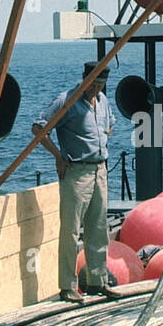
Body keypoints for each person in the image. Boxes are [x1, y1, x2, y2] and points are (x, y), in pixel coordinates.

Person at [32, 62, 115, 305]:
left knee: (99, 228)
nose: (97, 88)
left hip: (100, 170)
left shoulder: (103, 102)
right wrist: (59, 156)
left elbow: (110, 123)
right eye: (94, 83)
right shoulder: (65, 101)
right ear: (84, 78)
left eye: (101, 84)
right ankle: (68, 286)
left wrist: (100, 144)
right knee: (70, 231)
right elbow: (38, 128)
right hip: (76, 172)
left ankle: (97, 281)